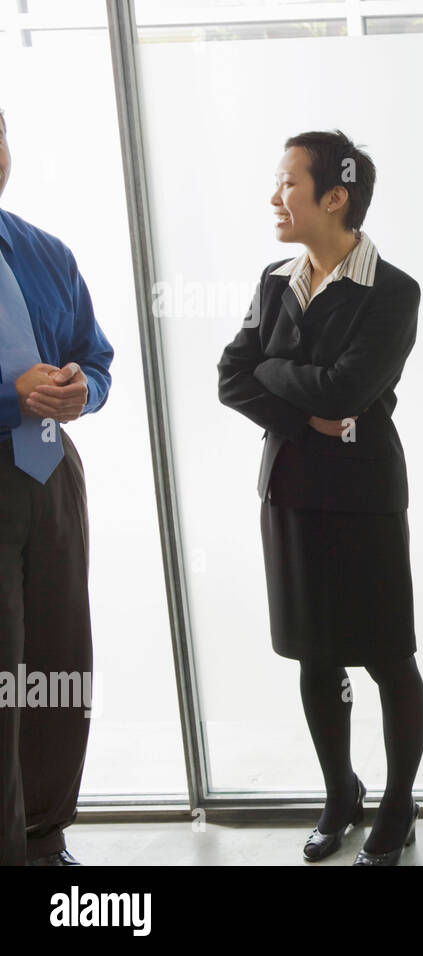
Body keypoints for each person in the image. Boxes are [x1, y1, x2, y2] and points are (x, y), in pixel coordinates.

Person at [217, 130, 423, 866]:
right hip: (292, 490)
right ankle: (342, 793)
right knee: (315, 657)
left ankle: (399, 805)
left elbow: (350, 388)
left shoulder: (393, 291)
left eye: (287, 184)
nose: (275, 197)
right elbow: (230, 377)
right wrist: (304, 409)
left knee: (387, 656)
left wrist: (279, 374)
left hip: (363, 494)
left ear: (334, 197)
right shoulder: (276, 279)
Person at [0, 107, 114, 866]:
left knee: (57, 660)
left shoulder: (43, 251)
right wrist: (14, 394)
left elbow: (95, 358)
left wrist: (82, 390)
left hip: (50, 475)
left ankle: (44, 831)